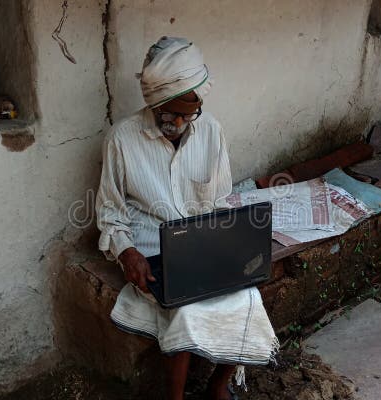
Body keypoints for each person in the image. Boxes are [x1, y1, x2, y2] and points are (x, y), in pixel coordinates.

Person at [95, 37, 277, 400]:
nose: (179, 121)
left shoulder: (211, 130)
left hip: (203, 244)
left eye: (188, 113)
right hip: (152, 250)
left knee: (248, 297)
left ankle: (217, 388)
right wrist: (127, 252)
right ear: (155, 103)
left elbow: (221, 200)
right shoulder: (122, 139)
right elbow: (110, 213)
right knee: (184, 307)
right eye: (171, 113)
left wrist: (232, 246)